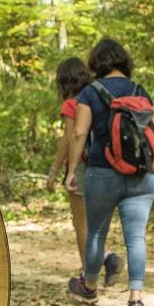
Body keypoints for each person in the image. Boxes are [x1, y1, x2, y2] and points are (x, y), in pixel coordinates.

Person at [65, 38, 154, 306]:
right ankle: (136, 298)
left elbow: (79, 133)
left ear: (96, 62)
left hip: (102, 172)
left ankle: (90, 286)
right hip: (140, 175)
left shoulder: (90, 93)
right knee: (136, 237)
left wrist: (71, 171)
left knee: (95, 232)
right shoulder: (140, 90)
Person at [47, 56, 121, 287]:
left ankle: (93, 269)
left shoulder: (72, 104)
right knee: (95, 223)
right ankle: (100, 262)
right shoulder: (97, 98)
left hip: (81, 166)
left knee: (82, 224)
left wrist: (55, 170)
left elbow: (70, 139)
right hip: (105, 165)